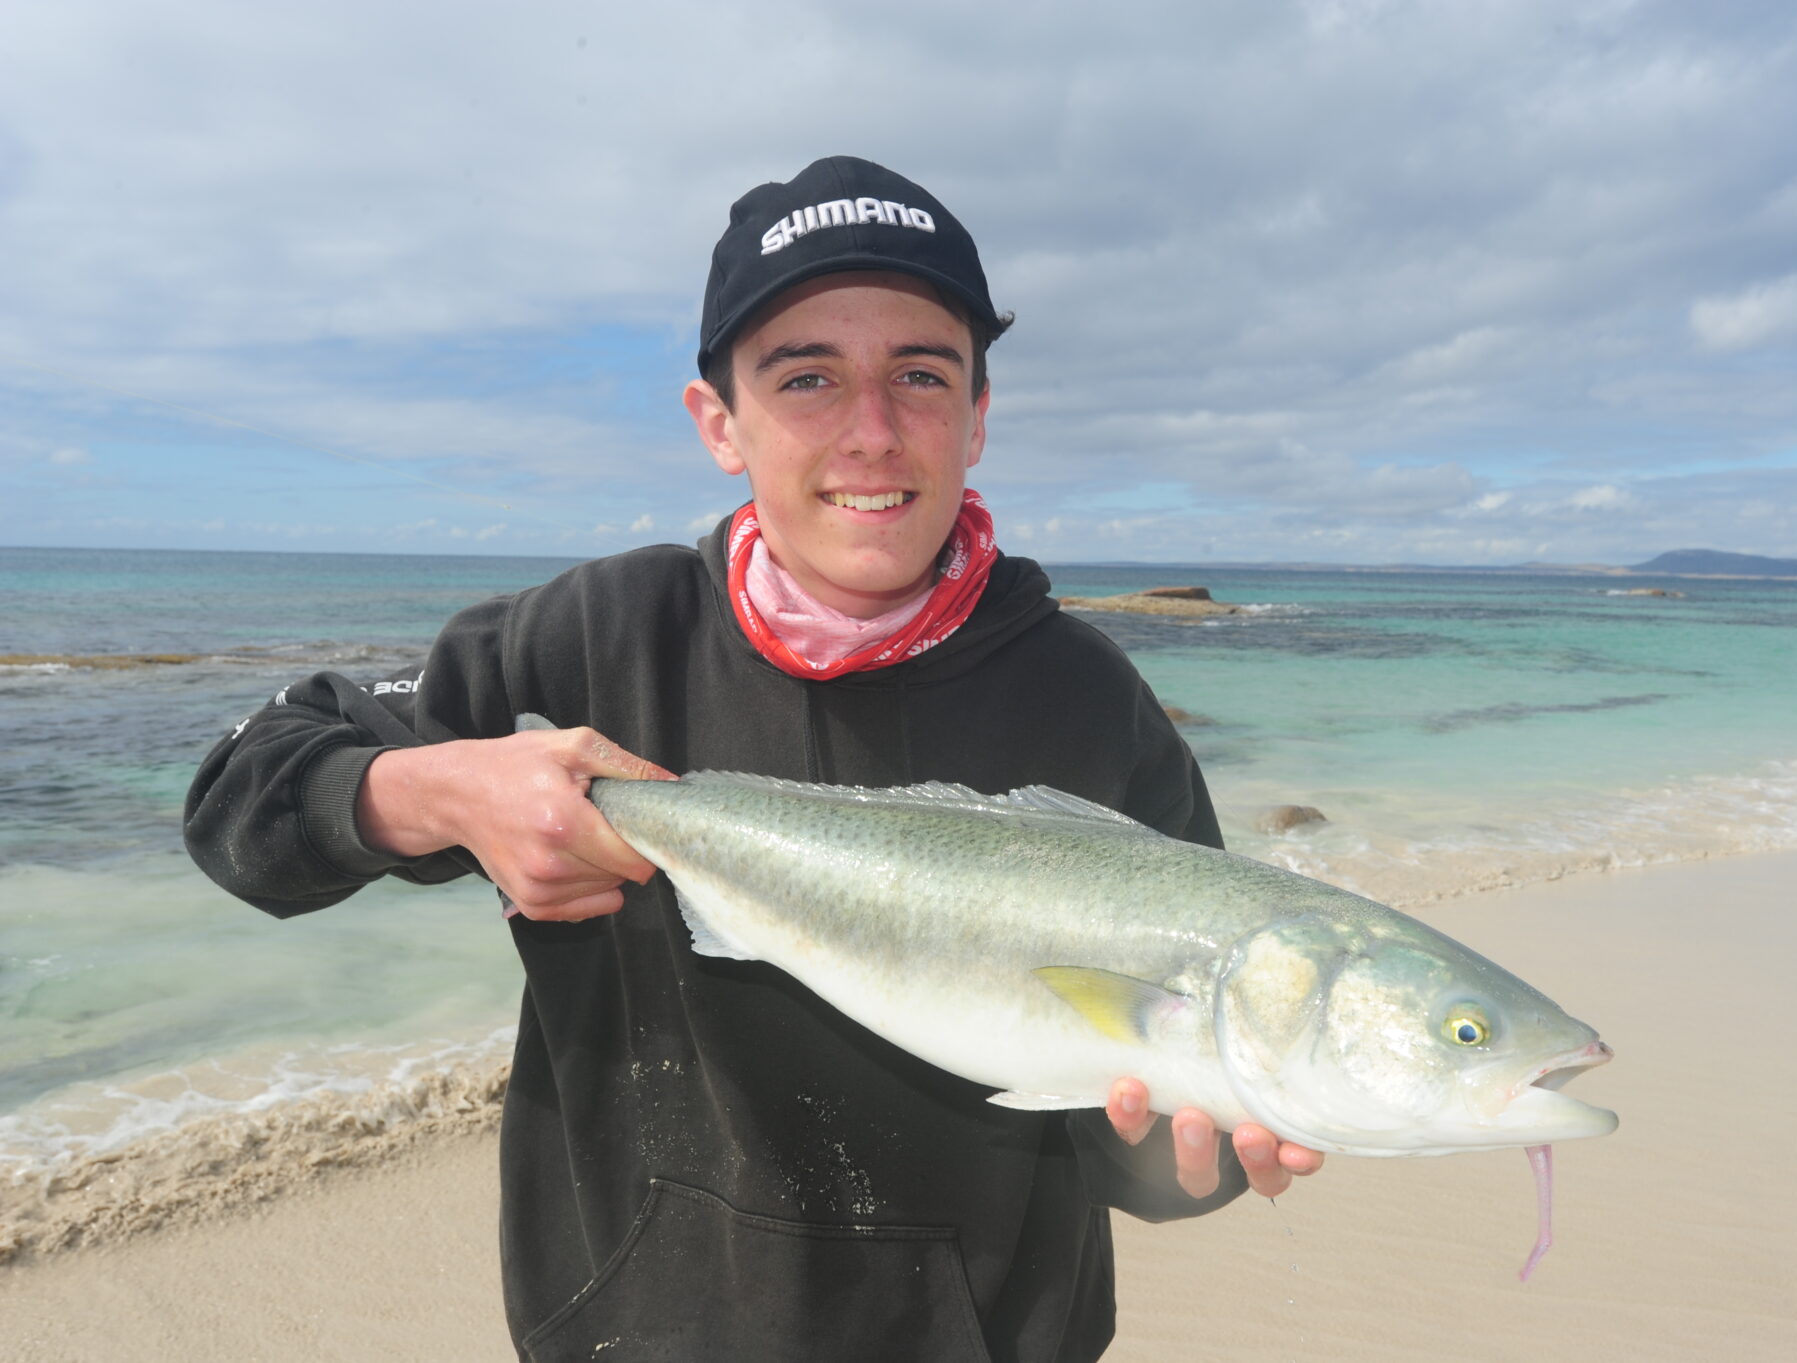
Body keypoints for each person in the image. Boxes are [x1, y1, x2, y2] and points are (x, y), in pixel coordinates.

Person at [184, 156, 1320, 1363]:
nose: (871, 433)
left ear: (978, 415)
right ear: (718, 422)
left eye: (920, 375)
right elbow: (241, 799)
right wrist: (426, 792)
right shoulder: (589, 641)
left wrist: (1190, 1155)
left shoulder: (1091, 705)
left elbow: (1149, 1160)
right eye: (807, 378)